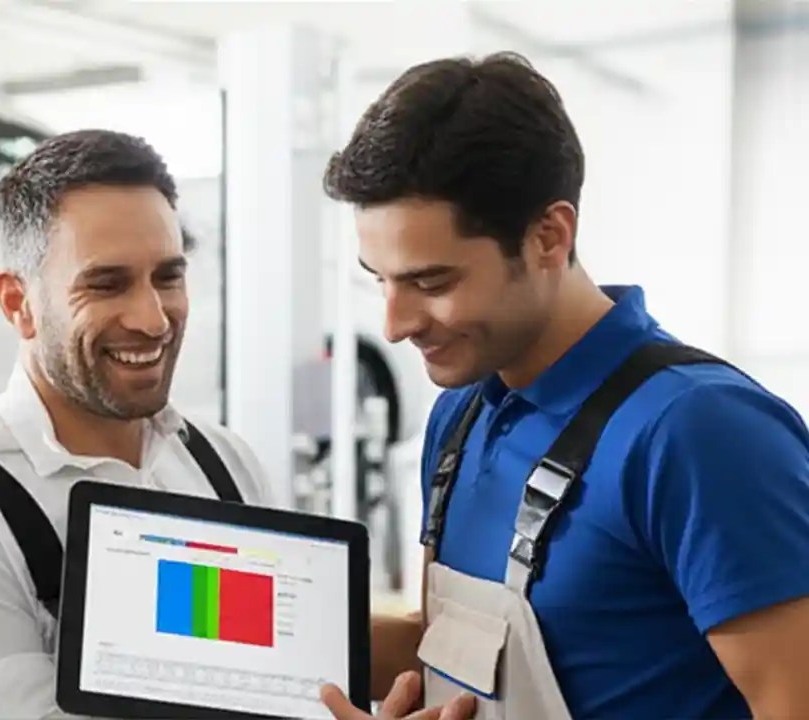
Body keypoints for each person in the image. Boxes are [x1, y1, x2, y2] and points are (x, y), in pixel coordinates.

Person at [317, 52, 809, 719]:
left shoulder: (699, 432)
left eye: (432, 282)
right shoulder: (459, 415)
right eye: (380, 279)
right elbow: (450, 648)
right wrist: (258, 626)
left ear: (549, 236)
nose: (396, 324)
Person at [0, 129, 280, 719]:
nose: (153, 317)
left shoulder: (227, 466)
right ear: (19, 303)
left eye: (167, 276)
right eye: (106, 284)